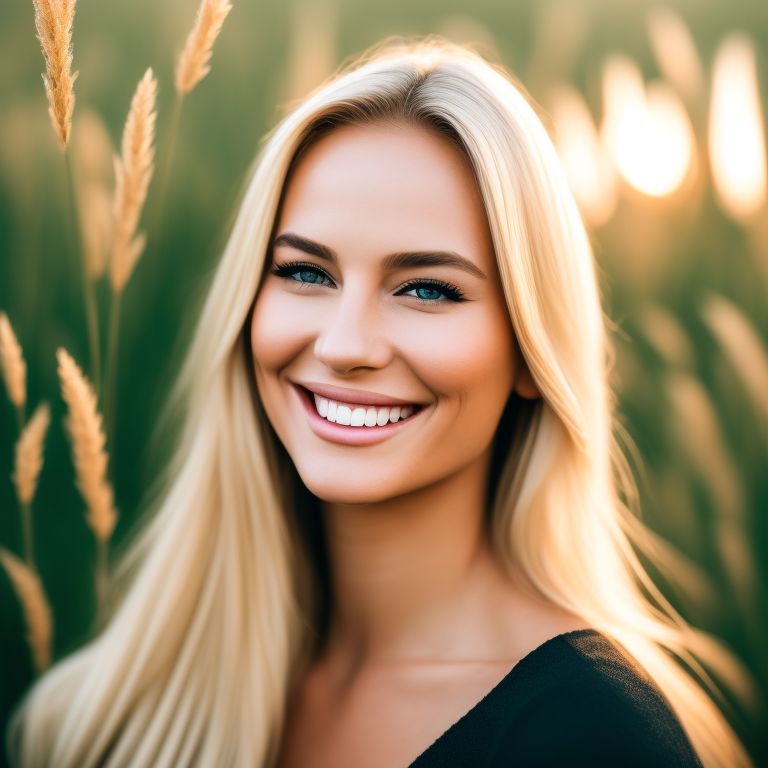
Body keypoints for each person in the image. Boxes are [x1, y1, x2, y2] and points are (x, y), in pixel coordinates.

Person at [6, 35, 755, 768]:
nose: (343, 344)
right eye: (305, 273)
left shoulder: (594, 738)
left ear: (531, 350)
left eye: (427, 288)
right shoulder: (119, 710)